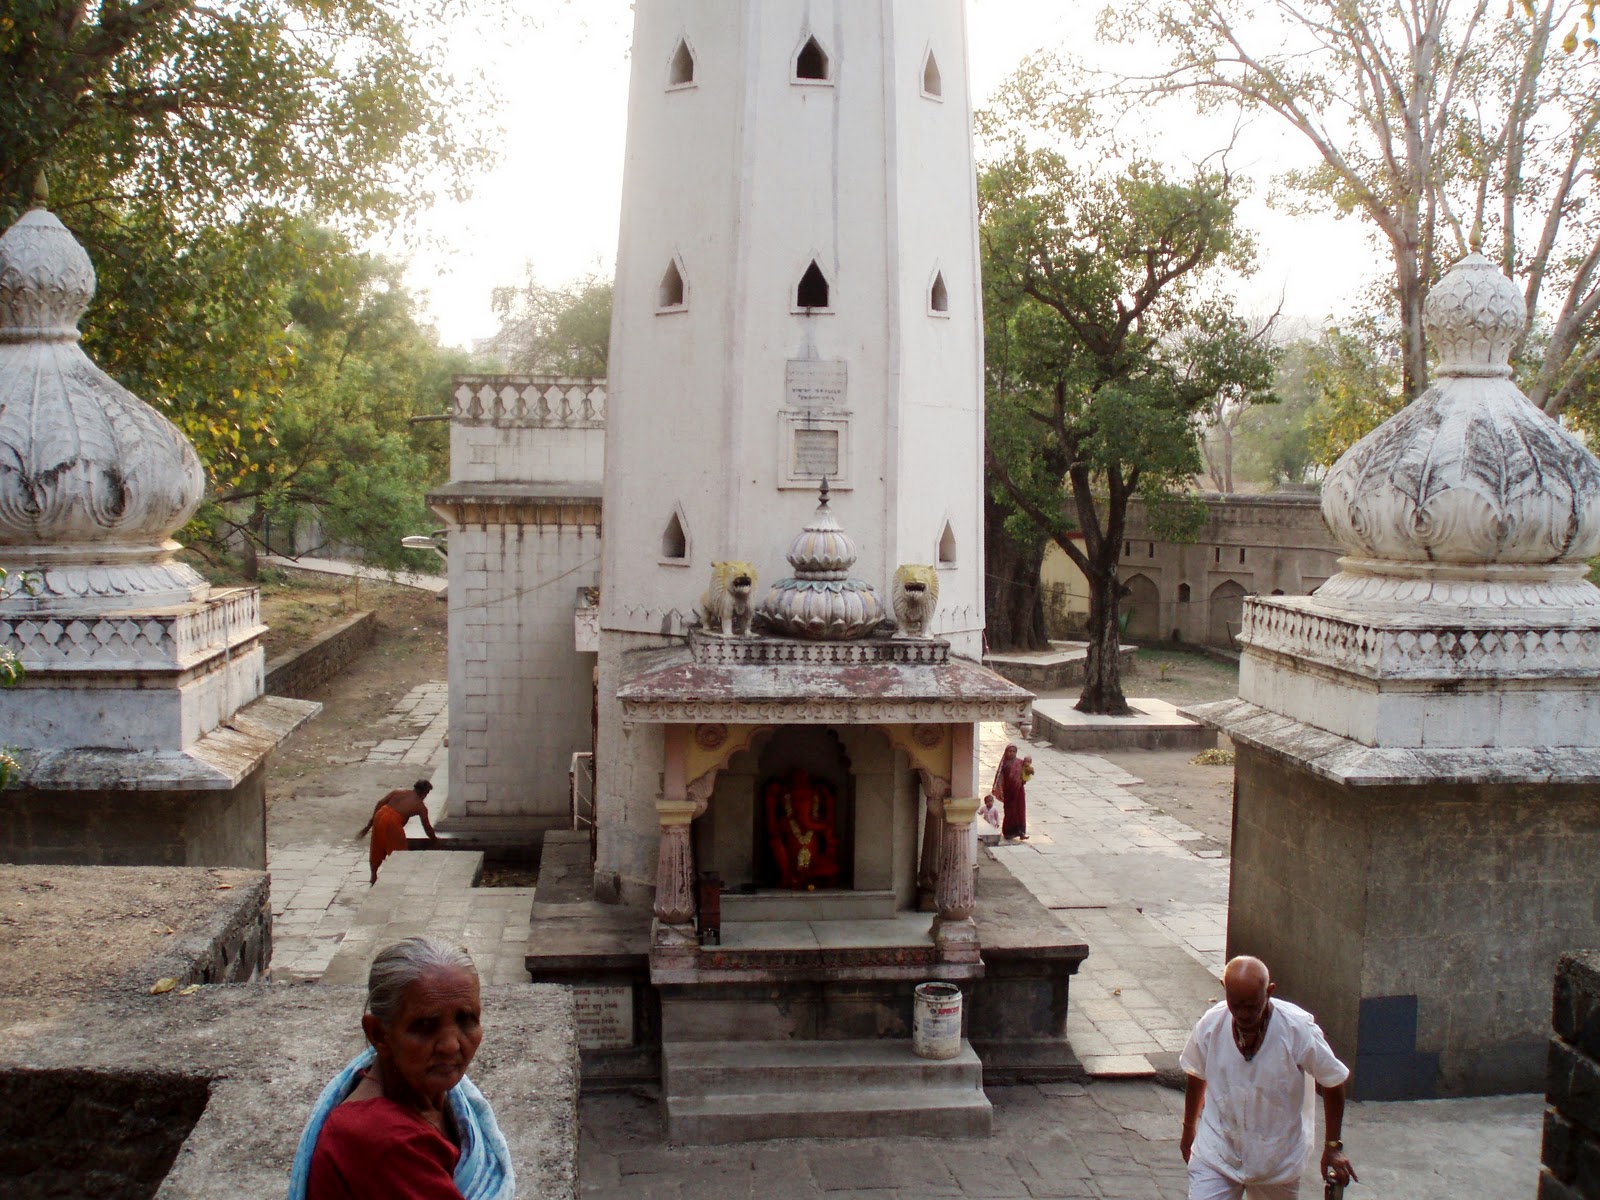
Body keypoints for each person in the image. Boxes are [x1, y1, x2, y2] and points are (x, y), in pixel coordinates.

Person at [287, 937, 514, 1200]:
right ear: (379, 1034)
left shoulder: (437, 1094)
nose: (451, 1046)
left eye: (467, 1020)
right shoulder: (379, 1139)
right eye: (425, 1026)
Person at [1179, 956, 1356, 1200]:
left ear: (1269, 991)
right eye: (1236, 1004)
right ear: (1224, 989)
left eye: (1252, 1006)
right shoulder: (1211, 1024)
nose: (1243, 1014)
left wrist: (1333, 1146)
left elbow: (1333, 1080)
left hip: (1277, 1162)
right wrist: (1189, 1128)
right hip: (1218, 1151)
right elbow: (1196, 1074)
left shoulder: (1296, 1030)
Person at [359, 780, 438, 885]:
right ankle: (397, 876)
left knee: (377, 846)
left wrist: (369, 825)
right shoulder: (420, 806)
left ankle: (373, 875)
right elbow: (427, 827)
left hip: (380, 814)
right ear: (424, 792)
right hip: (392, 822)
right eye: (427, 793)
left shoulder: (399, 792)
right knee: (400, 851)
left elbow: (380, 803)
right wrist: (435, 840)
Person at [991, 743, 1028, 841]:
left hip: (1019, 791)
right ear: (1006, 752)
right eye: (1009, 751)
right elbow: (1000, 779)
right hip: (1009, 792)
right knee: (1010, 812)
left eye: (1013, 751)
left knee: (1020, 811)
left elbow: (1025, 775)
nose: (1011, 753)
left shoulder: (1020, 763)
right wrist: (1000, 791)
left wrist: (1024, 778)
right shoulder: (1004, 765)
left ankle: (1021, 832)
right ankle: (1008, 832)